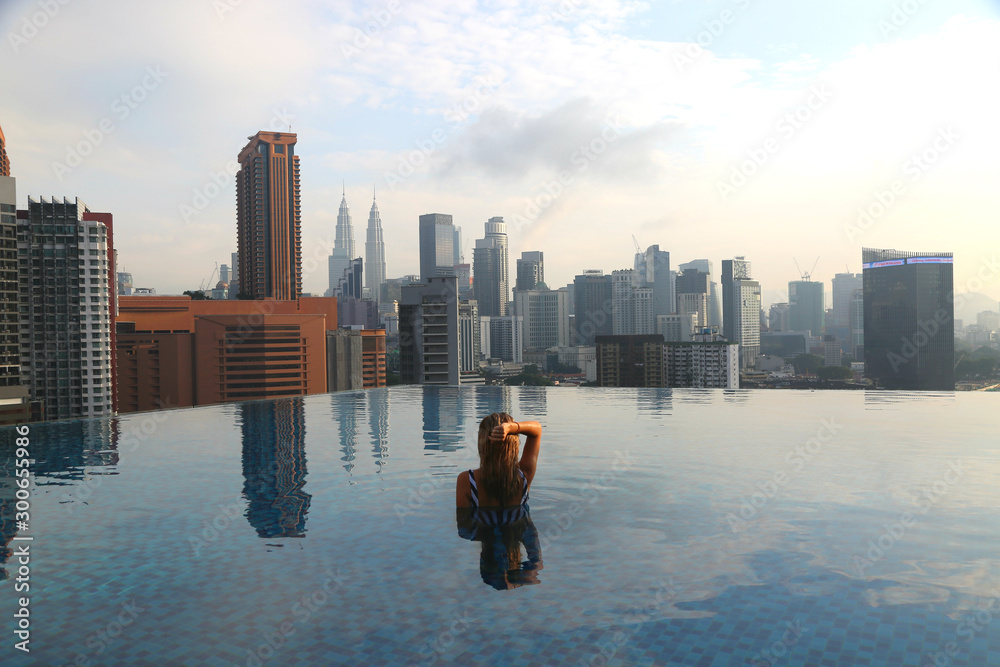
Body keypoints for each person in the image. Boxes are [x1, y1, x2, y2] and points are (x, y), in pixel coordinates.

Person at [456, 413, 542, 510]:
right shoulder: (524, 475)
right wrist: (510, 427)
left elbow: (464, 523)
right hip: (520, 524)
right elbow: (537, 429)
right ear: (514, 444)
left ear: (482, 444)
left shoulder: (467, 481)